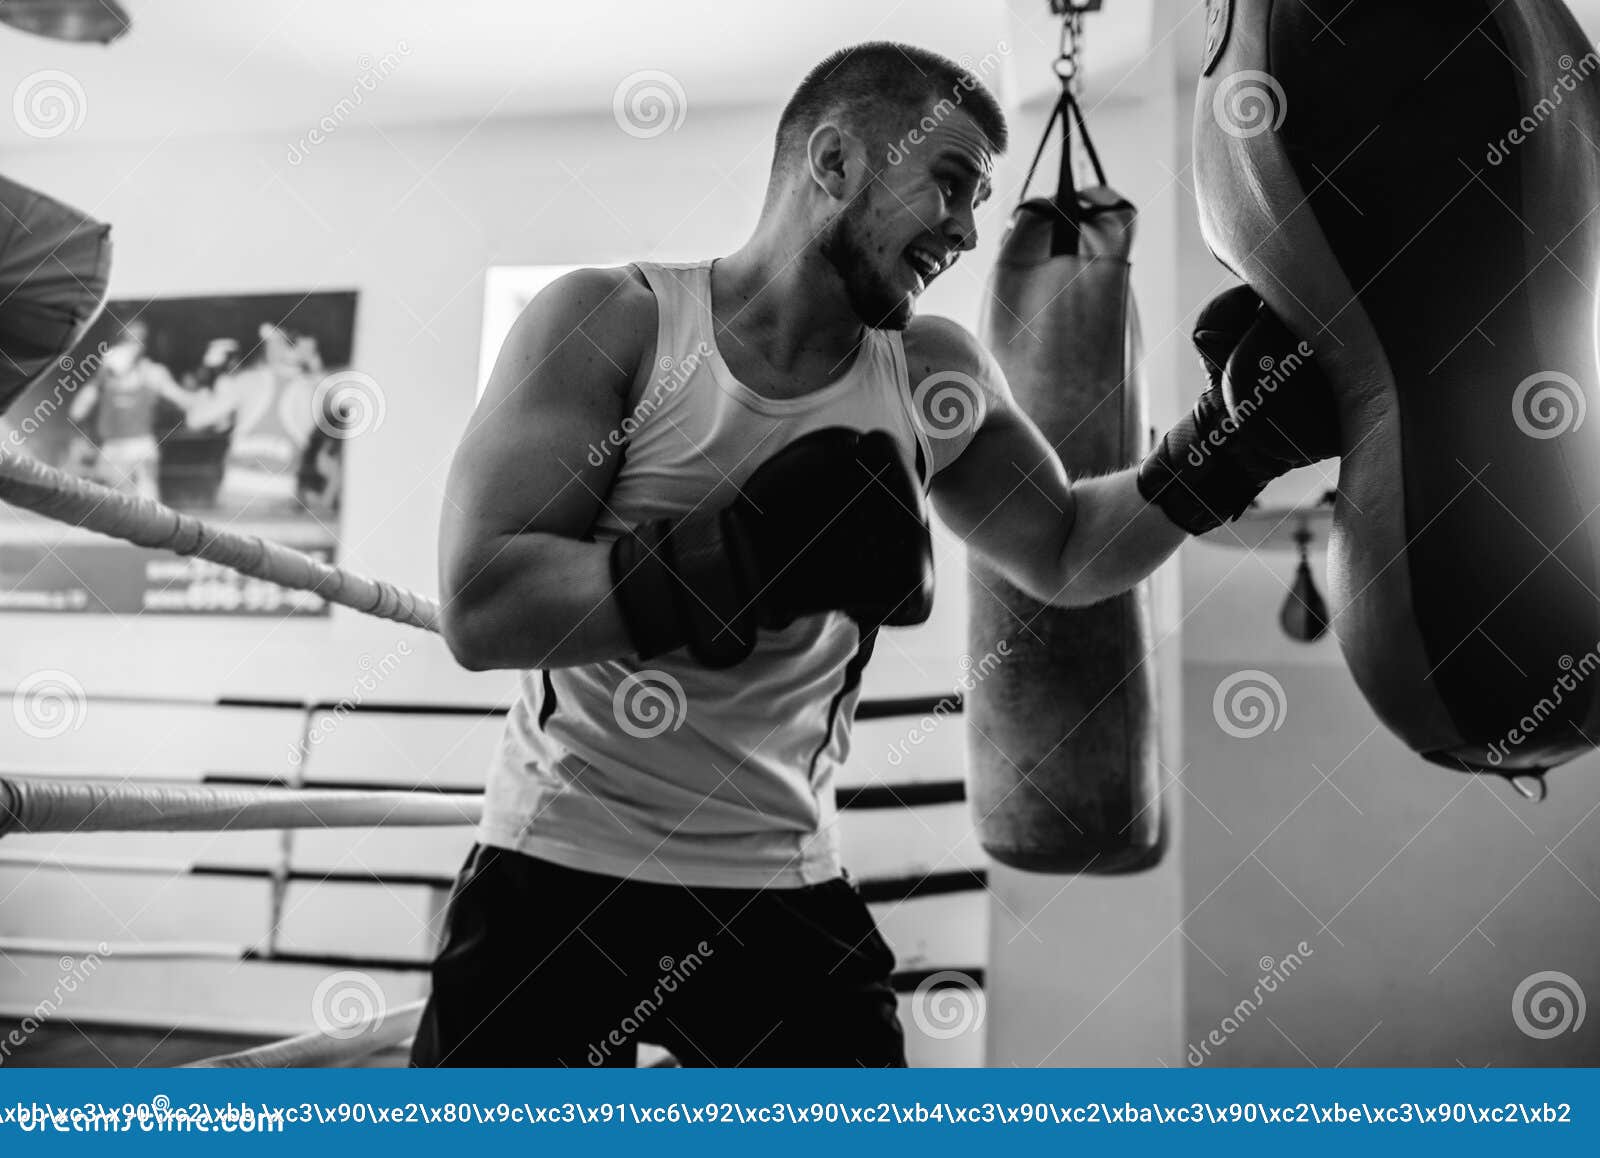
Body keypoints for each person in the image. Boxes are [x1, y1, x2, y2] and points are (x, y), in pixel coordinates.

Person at [418, 41, 1339, 1068]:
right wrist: (748, 555)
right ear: (833, 161)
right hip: (557, 868)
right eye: (947, 183)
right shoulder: (613, 321)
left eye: (979, 201)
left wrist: (1224, 453)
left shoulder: (931, 373)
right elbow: (484, 602)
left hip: (777, 882)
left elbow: (1067, 550)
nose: (963, 228)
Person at [68, 320, 193, 500]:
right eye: (128, 339)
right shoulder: (105, 376)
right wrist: (99, 380)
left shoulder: (153, 373)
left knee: (148, 504)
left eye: (137, 340)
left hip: (140, 446)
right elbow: (77, 411)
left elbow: (182, 400)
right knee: (115, 505)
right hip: (112, 448)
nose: (133, 345)